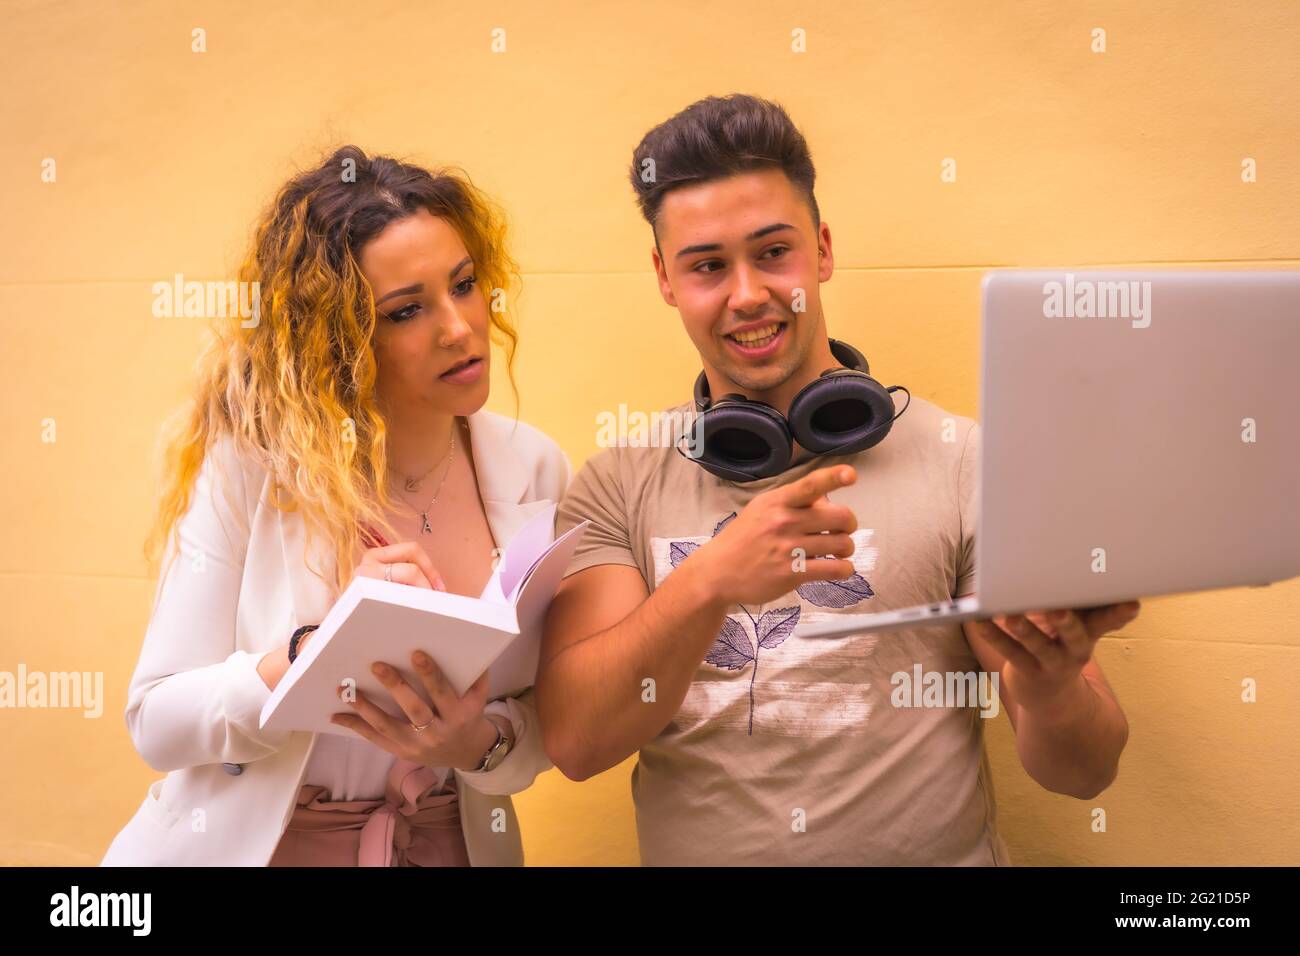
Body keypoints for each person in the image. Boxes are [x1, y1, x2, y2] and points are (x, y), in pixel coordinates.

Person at [538, 94, 1138, 866]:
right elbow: (576, 744)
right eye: (708, 266)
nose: (747, 294)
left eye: (773, 252)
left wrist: (1051, 688)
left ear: (821, 250)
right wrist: (708, 582)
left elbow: (1086, 773)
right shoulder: (617, 481)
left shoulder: (963, 460)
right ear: (665, 278)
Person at [102, 146, 567, 866]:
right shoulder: (253, 465)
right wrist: (307, 656)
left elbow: (547, 725)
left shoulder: (535, 465)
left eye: (465, 284)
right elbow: (156, 720)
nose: (458, 327)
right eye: (406, 310)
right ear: (340, 338)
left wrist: (471, 744)